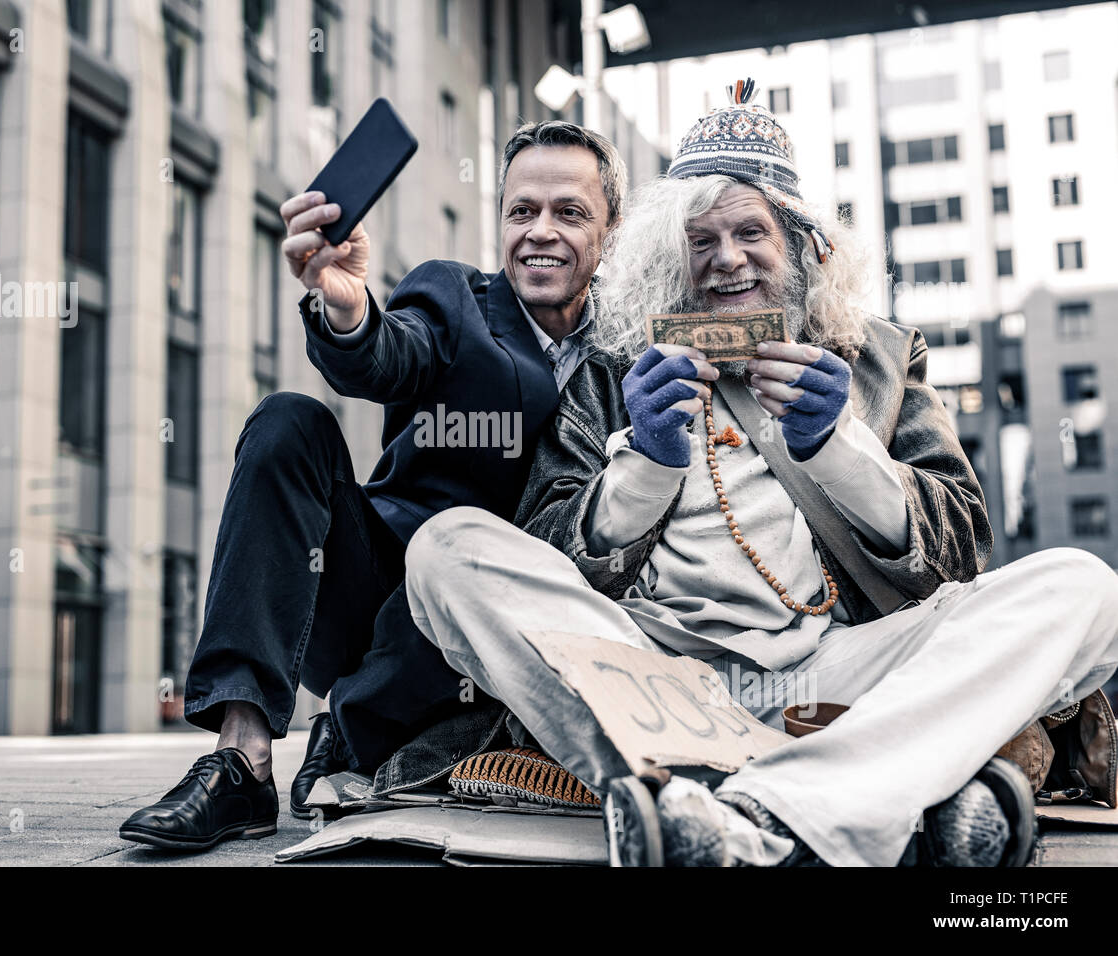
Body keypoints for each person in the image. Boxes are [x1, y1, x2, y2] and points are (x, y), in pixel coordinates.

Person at [403, 81, 1118, 867]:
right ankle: (851, 794)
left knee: (1084, 587)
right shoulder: (612, 367)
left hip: (833, 677)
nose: (727, 260)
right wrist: (644, 463)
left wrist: (837, 449)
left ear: (805, 249)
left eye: (751, 232)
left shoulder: (879, 355)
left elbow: (960, 553)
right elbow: (548, 547)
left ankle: (739, 810)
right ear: (671, 258)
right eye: (700, 241)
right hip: (649, 676)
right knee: (447, 547)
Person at [118, 121, 627, 850]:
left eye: (569, 213)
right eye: (522, 211)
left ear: (610, 231)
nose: (540, 232)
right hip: (372, 590)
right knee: (287, 421)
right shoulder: (458, 299)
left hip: (491, 642)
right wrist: (349, 309)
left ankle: (354, 730)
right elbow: (390, 354)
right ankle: (241, 760)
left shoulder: (632, 354)